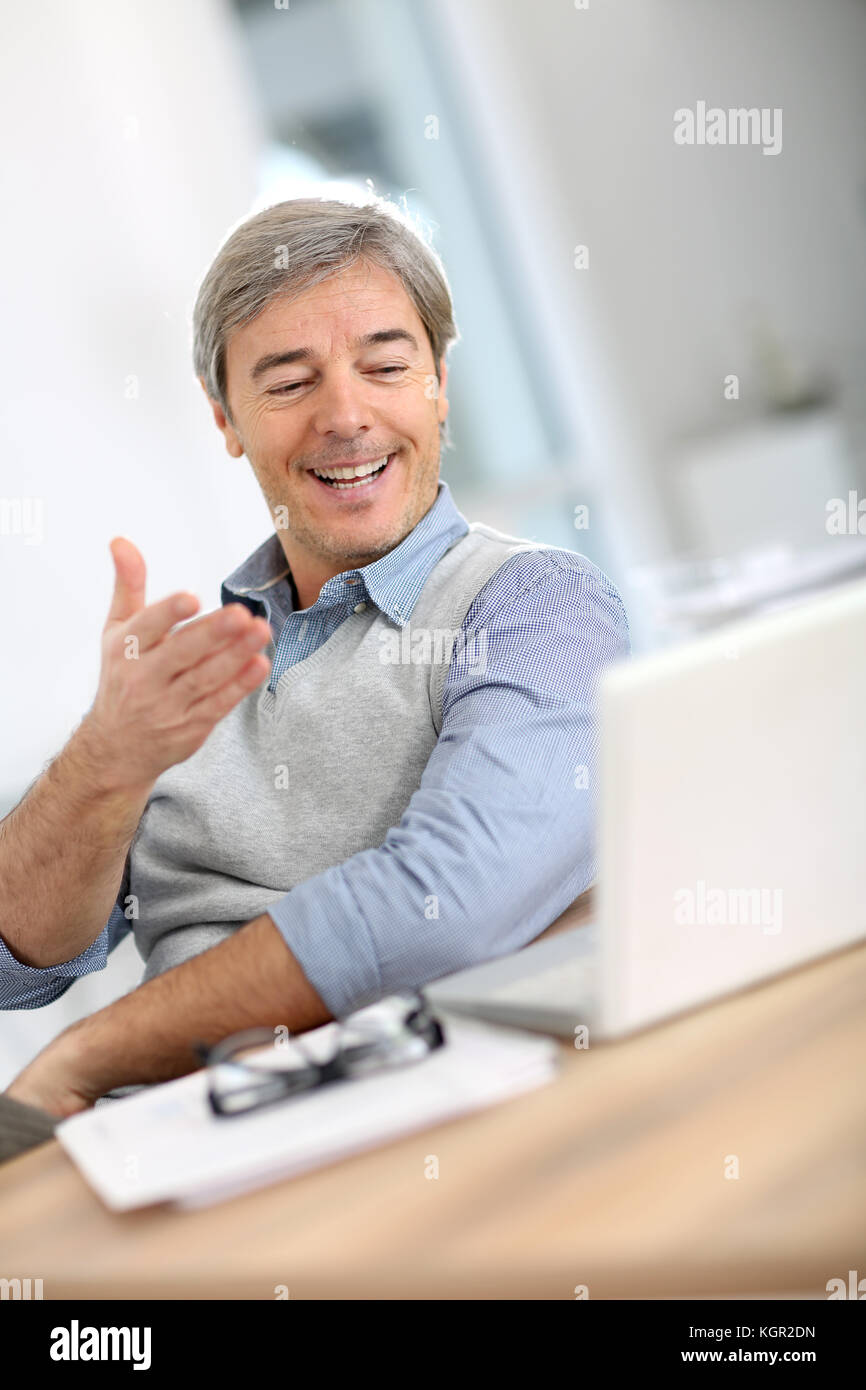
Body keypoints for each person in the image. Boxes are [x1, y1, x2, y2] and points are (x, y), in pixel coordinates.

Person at [0, 196, 629, 1159]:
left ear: (438, 384)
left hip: (401, 1138)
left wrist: (94, 1051)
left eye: (385, 367)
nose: (346, 417)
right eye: (290, 383)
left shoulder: (534, 605)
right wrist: (107, 763)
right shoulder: (186, 676)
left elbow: (447, 903)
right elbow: (16, 966)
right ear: (227, 420)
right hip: (166, 1150)